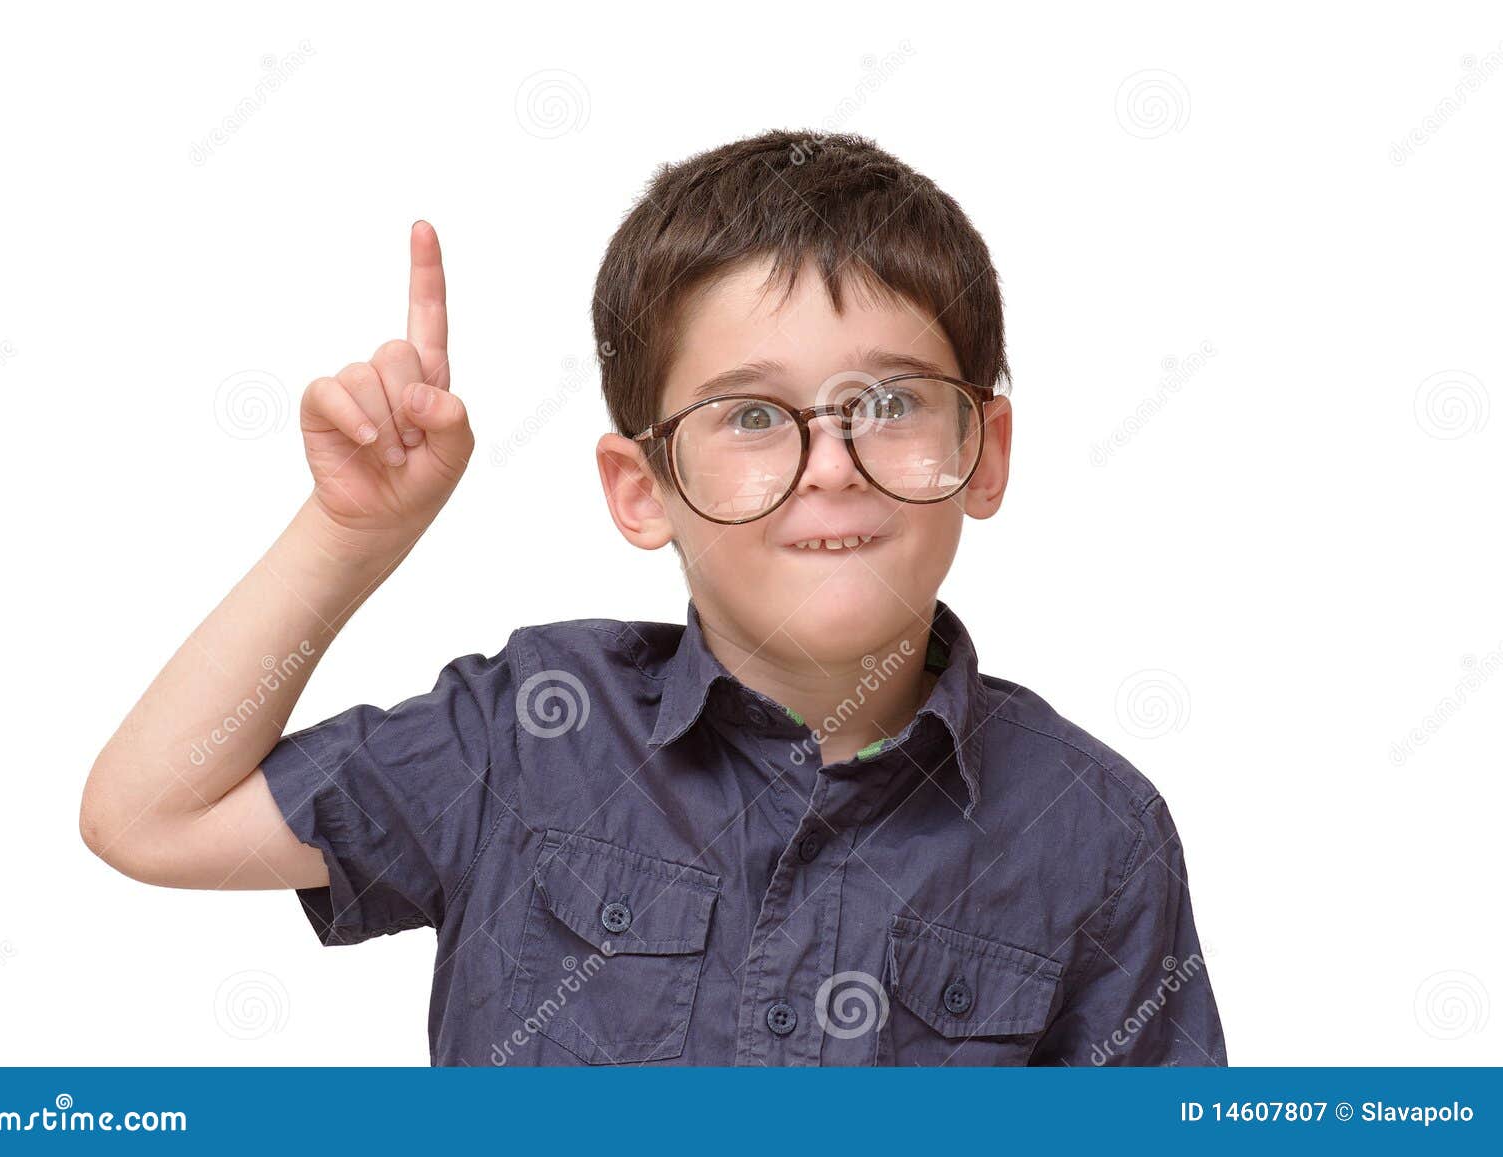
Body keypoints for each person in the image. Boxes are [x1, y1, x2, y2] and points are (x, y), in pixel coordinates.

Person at [80, 128, 1227, 1066]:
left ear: (983, 451)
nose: (828, 462)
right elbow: (149, 817)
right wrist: (350, 531)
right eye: (747, 414)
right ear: (642, 490)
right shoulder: (529, 732)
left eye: (888, 403)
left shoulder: (1095, 830)